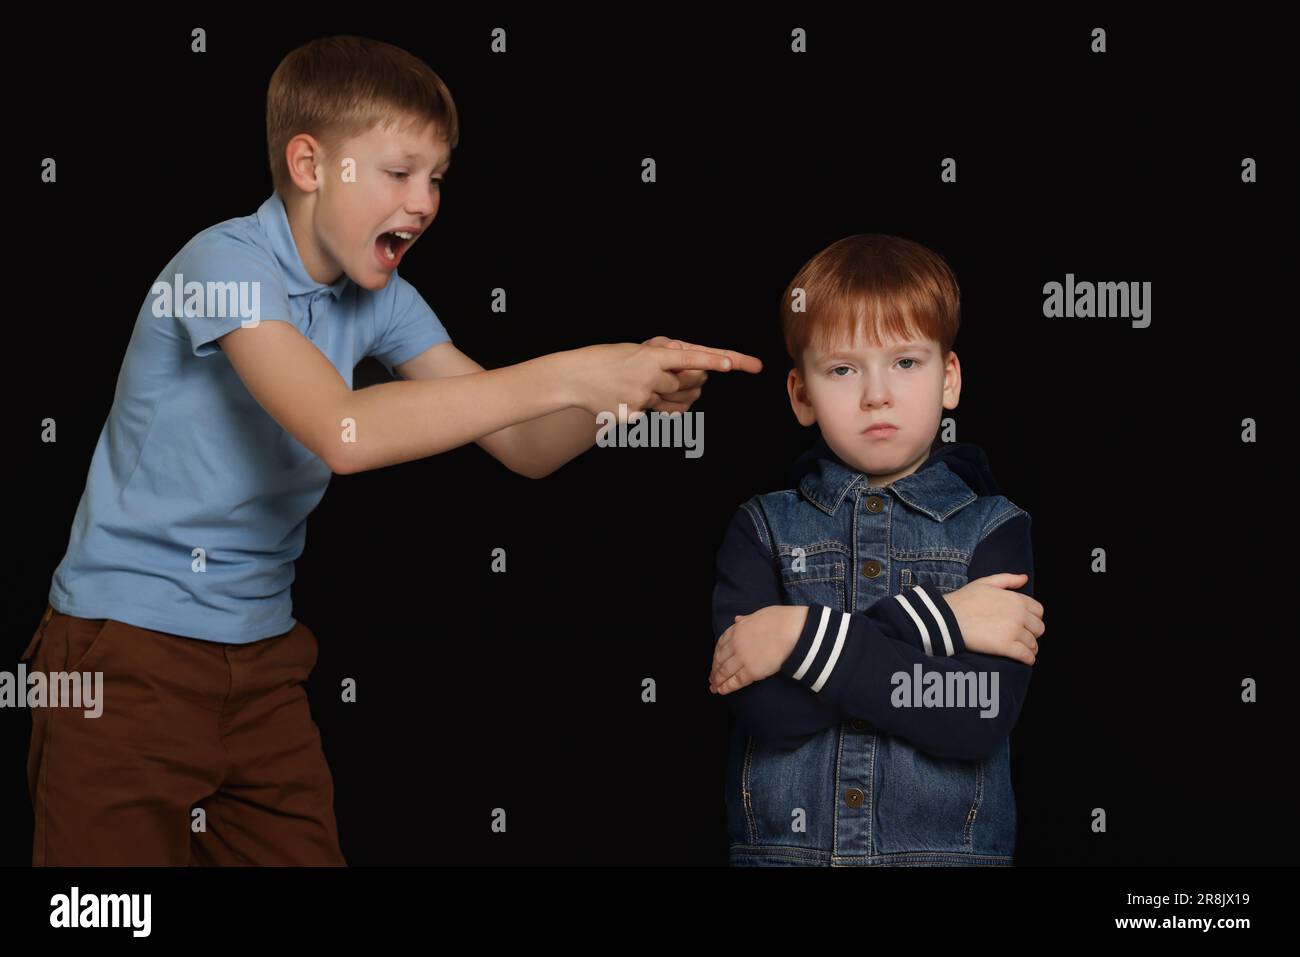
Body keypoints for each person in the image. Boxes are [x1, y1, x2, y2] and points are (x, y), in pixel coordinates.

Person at [23, 35, 760, 866]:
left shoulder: (381, 300)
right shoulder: (220, 265)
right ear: (310, 164)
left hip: (263, 662)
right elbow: (345, 433)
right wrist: (569, 371)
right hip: (126, 653)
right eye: (400, 172)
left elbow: (520, 444)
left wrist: (617, 395)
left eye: (438, 178)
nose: (425, 201)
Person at [709, 233, 1045, 866]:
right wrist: (941, 623)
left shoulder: (994, 527)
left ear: (949, 380)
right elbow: (770, 714)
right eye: (842, 369)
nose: (876, 394)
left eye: (906, 363)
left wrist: (797, 637)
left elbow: (973, 716)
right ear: (801, 395)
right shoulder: (761, 529)